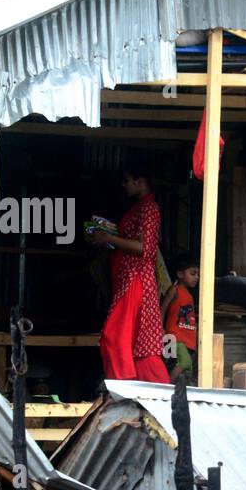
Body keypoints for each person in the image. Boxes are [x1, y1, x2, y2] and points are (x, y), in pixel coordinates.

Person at [91, 161, 170, 383]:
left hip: (136, 280)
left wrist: (108, 238)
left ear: (140, 182)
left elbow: (145, 247)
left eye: (127, 181)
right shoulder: (139, 207)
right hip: (127, 279)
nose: (123, 185)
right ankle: (137, 388)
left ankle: (123, 388)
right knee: (137, 342)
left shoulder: (149, 208)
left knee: (113, 336)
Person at [162, 254, 199, 383]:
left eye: (197, 274)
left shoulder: (189, 295)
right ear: (180, 274)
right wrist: (160, 329)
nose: (197, 277)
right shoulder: (174, 290)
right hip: (173, 337)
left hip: (187, 340)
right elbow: (162, 309)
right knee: (184, 362)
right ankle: (167, 389)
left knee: (186, 371)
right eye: (193, 273)